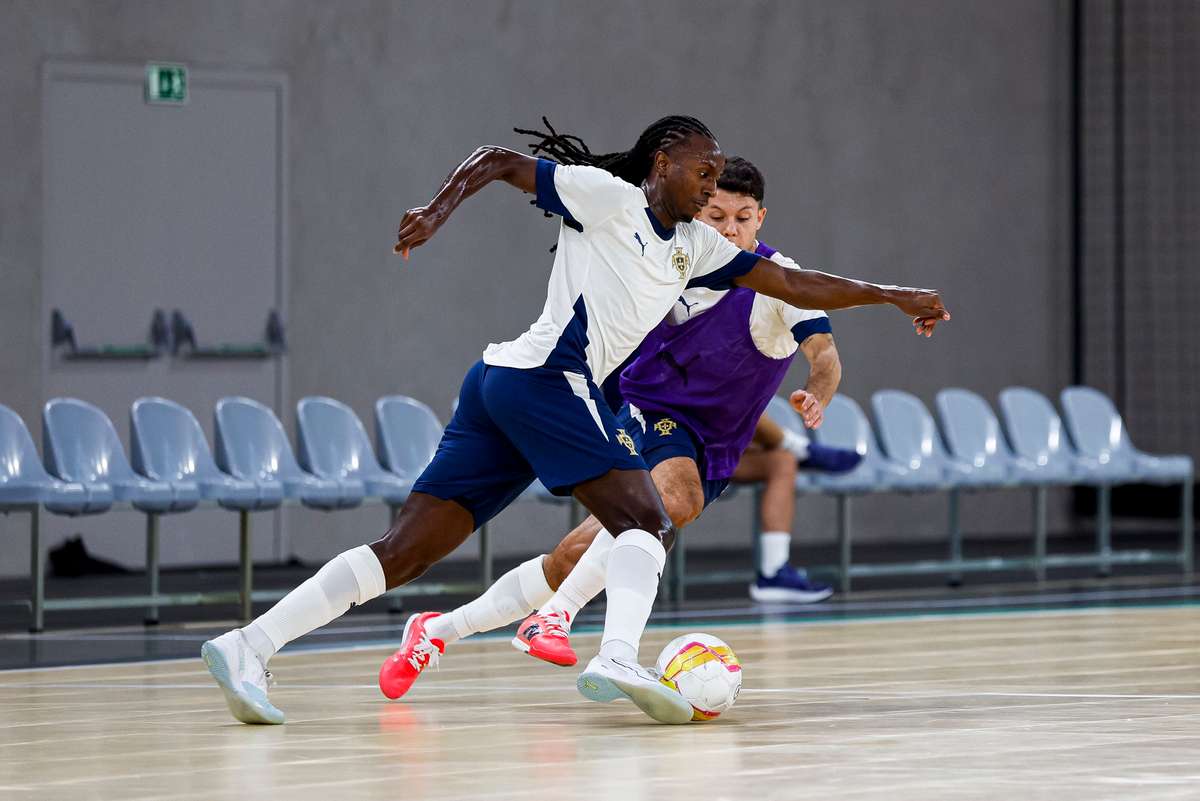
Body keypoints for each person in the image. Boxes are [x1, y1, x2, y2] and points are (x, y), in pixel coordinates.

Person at [202, 115, 949, 726]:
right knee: (648, 522)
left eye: (720, 178)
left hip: (499, 383)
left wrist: (894, 293)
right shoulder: (606, 196)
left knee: (406, 550)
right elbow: (497, 158)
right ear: (663, 162)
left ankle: (249, 643)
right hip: (543, 381)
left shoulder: (694, 248)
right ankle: (616, 652)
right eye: (702, 172)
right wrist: (435, 209)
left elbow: (792, 280)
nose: (710, 185)